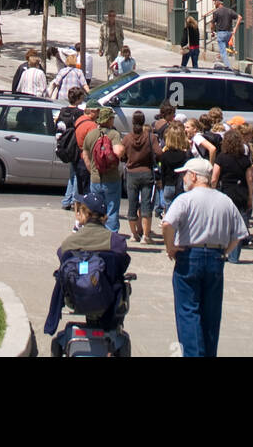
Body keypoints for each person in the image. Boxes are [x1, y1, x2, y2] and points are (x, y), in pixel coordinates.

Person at [163, 157, 248, 358]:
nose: (184, 179)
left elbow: (168, 224)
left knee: (188, 312)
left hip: (189, 255)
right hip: (215, 256)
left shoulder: (185, 199)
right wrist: (225, 252)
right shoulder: (224, 200)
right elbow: (239, 234)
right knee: (211, 315)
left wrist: (170, 247)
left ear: (193, 176)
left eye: (185, 174)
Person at [43, 190, 131, 343]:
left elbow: (62, 259)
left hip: (76, 298)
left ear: (84, 215)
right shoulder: (116, 242)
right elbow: (122, 265)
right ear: (104, 217)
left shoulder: (69, 244)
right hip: (107, 298)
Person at [211, 129, 253, 262]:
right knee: (237, 225)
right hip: (241, 192)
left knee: (223, 224)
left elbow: (214, 178)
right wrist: (250, 197)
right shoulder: (245, 160)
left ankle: (222, 251)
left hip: (225, 193)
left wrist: (211, 191)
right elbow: (250, 180)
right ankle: (234, 256)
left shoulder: (221, 157)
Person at [82, 106, 126, 233]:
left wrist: (93, 171)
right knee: (112, 209)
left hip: (95, 179)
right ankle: (111, 239)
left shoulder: (90, 135)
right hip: (111, 178)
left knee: (96, 210)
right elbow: (119, 151)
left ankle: (96, 235)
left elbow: (85, 156)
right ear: (109, 120)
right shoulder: (113, 134)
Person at [120, 111, 158, 243]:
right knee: (146, 204)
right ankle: (146, 236)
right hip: (147, 171)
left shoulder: (127, 138)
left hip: (131, 173)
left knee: (132, 203)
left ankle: (134, 234)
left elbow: (122, 156)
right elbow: (158, 153)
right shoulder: (150, 137)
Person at [56, 87, 88, 211]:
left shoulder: (63, 111)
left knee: (72, 174)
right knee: (77, 175)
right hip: (75, 147)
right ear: (79, 98)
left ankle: (66, 200)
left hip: (65, 146)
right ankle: (74, 200)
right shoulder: (79, 113)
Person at [158, 120, 191, 211]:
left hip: (168, 185)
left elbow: (163, 172)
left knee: (169, 210)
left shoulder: (164, 155)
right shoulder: (185, 155)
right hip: (180, 185)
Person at [211, 0, 241, 68]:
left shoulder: (216, 12)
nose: (214, 3)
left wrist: (212, 32)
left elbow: (212, 24)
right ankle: (222, 61)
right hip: (229, 34)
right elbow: (240, 17)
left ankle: (228, 68)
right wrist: (235, 29)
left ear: (218, 2)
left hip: (221, 34)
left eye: (215, 2)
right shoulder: (229, 11)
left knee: (223, 52)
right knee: (225, 50)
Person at [98, 10, 124, 78]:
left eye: (113, 16)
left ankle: (116, 78)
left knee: (117, 63)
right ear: (108, 16)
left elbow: (121, 36)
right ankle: (109, 79)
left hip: (116, 45)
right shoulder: (104, 25)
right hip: (108, 46)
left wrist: (121, 48)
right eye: (110, 16)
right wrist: (100, 49)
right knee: (109, 63)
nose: (111, 17)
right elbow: (101, 38)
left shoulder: (118, 24)